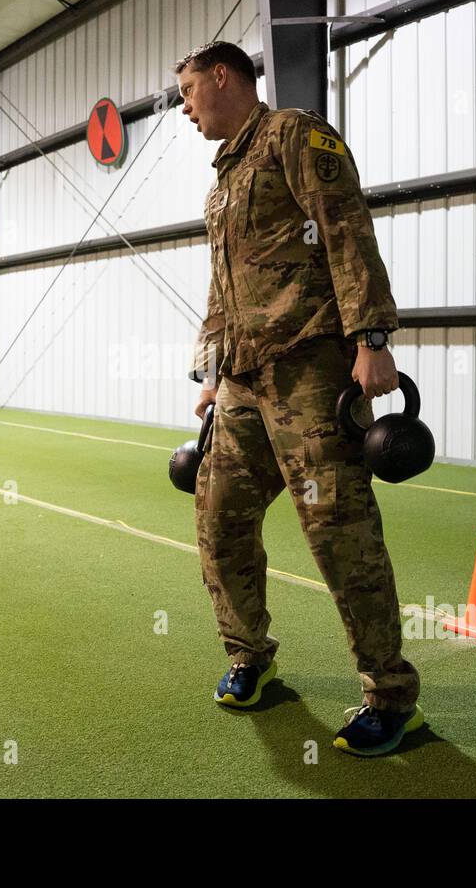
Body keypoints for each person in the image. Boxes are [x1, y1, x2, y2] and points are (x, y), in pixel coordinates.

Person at [176, 40, 419, 756]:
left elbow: (345, 226)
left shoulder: (294, 134)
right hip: (244, 383)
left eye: (189, 92)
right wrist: (211, 372)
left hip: (313, 371)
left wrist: (371, 337)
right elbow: (223, 286)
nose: (185, 109)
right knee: (218, 520)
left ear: (223, 76)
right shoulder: (221, 178)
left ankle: (391, 696)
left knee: (340, 534)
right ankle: (249, 657)